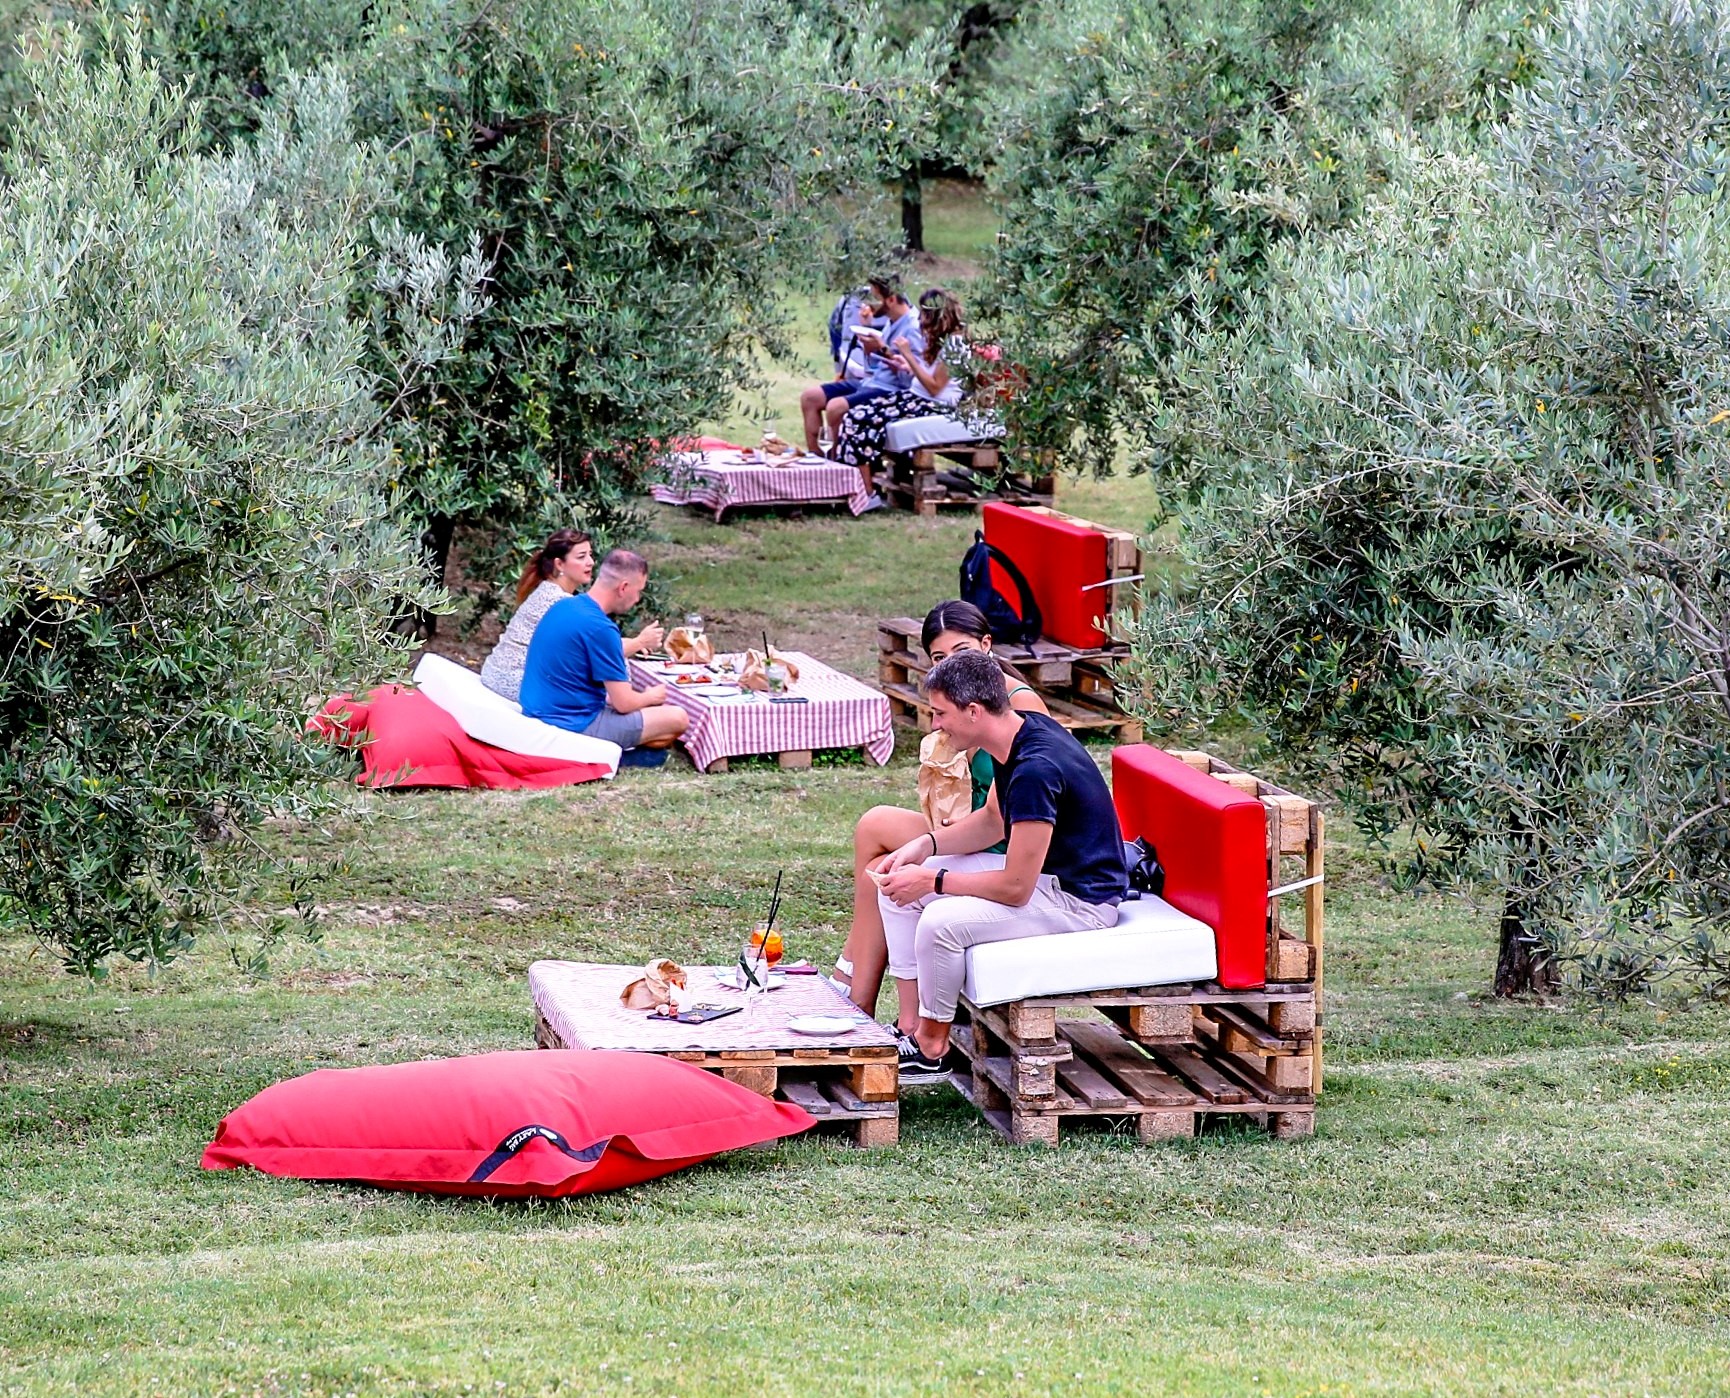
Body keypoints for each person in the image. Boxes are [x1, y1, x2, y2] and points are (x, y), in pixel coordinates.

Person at [872, 650, 1129, 1078]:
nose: (935, 724)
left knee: (940, 922)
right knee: (898, 892)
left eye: (940, 713)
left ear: (973, 711)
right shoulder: (1019, 733)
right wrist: (926, 845)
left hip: (1080, 900)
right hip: (1045, 881)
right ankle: (913, 1026)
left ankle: (933, 1047)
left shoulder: (1035, 769)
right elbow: (994, 821)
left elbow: (1015, 887)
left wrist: (934, 879)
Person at [831, 601, 1048, 1022]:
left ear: (987, 646)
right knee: (874, 828)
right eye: (938, 658)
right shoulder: (954, 705)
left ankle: (858, 995)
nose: (950, 665)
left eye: (961, 652)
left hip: (1007, 837)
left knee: (885, 860)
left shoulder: (1017, 705)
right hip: (971, 821)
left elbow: (1003, 811)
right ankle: (859, 993)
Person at [519, 550, 688, 752]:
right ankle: (617, 753)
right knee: (677, 718)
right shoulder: (601, 628)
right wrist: (651, 697)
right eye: (639, 591)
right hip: (570, 724)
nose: (637, 599)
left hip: (540, 710)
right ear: (624, 587)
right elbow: (623, 703)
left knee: (647, 715)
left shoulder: (565, 605)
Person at [481, 529, 665, 704]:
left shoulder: (552, 592)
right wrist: (640, 642)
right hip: (513, 681)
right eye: (581, 557)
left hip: (501, 673)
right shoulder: (558, 602)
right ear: (559, 564)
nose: (591, 562)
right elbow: (597, 654)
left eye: (590, 555)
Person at [832, 287, 966, 502]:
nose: (920, 318)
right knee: (855, 414)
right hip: (916, 396)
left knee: (857, 419)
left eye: (924, 313)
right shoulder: (940, 338)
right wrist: (907, 365)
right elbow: (928, 376)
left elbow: (935, 387)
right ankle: (859, 491)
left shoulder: (956, 345)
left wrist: (907, 355)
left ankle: (864, 495)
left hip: (933, 404)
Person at [799, 272, 920, 458]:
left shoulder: (913, 327)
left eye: (875, 298)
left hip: (892, 390)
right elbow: (873, 368)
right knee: (810, 397)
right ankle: (816, 460)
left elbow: (911, 379)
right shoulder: (891, 322)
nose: (868, 303)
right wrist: (868, 344)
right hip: (872, 382)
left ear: (891, 299)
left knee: (835, 407)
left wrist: (883, 350)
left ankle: (839, 467)